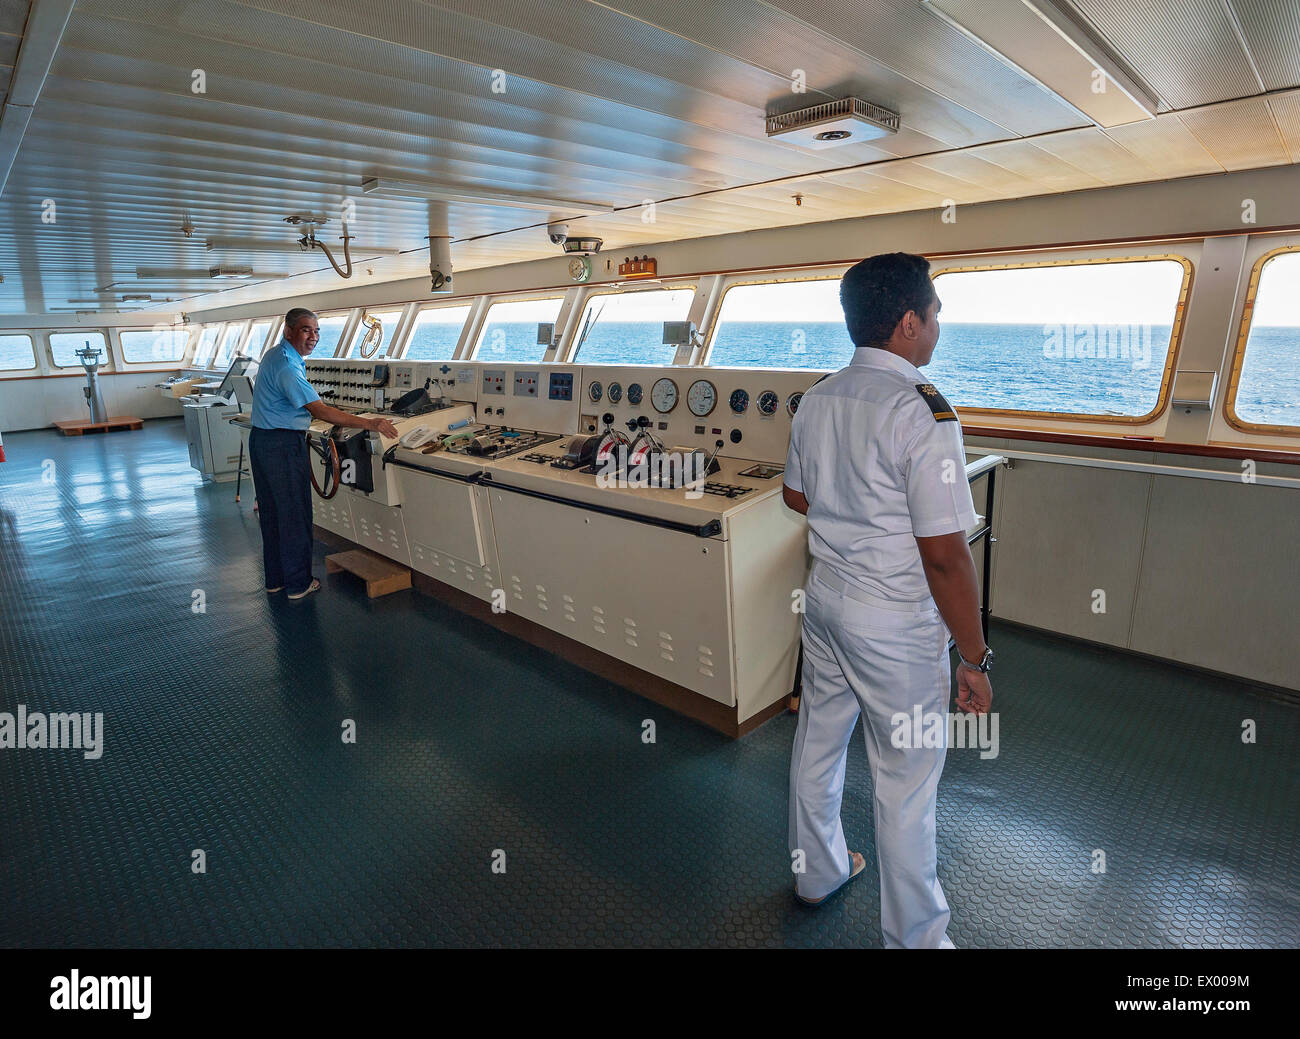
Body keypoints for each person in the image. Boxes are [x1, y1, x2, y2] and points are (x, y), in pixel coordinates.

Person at [782, 252, 993, 948]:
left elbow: (795, 496)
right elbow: (943, 552)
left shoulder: (820, 397)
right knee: (905, 784)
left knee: (818, 743)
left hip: (826, 603)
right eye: (934, 312)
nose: (938, 323)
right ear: (909, 323)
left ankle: (816, 871)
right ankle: (918, 940)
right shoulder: (922, 411)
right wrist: (974, 655)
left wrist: (849, 508)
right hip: (893, 625)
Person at [249, 308, 397, 599]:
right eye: (306, 330)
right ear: (288, 330)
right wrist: (371, 422)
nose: (313, 337)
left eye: (317, 331)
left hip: (263, 441)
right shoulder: (288, 367)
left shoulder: (276, 355)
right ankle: (298, 584)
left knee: (273, 514)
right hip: (281, 446)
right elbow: (320, 411)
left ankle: (276, 580)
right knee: (294, 515)